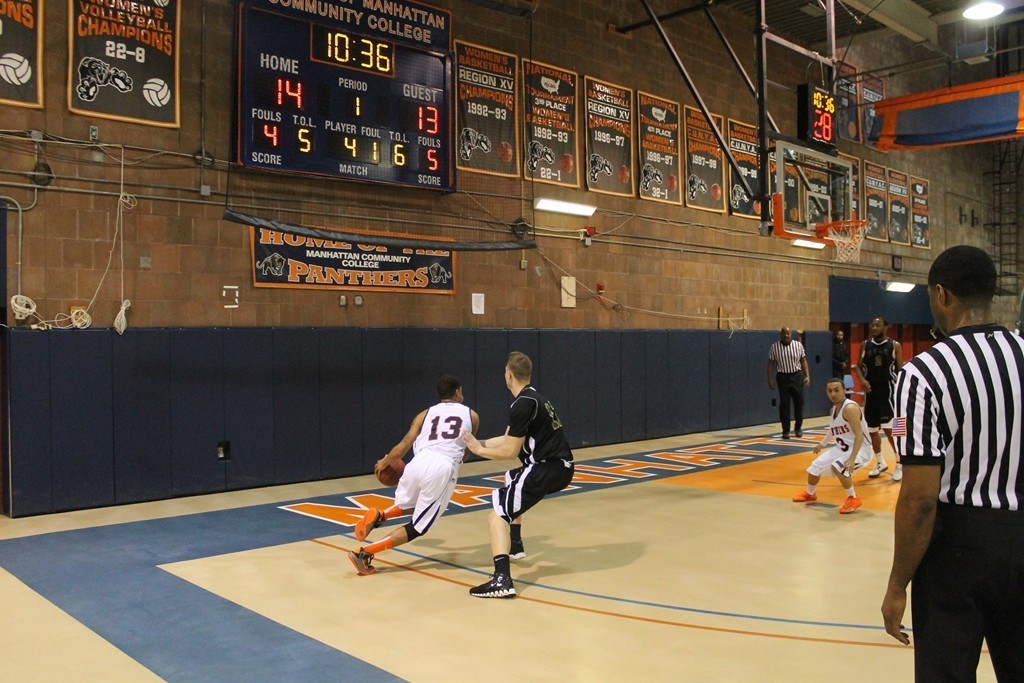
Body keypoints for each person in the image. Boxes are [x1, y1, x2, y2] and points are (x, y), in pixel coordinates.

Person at [881, 246, 1024, 681]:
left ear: (941, 294)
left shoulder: (922, 373)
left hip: (957, 548)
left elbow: (921, 498)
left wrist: (897, 584)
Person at [461, 351, 575, 598]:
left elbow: (510, 451)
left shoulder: (523, 404)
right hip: (559, 466)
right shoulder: (534, 399)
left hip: (547, 467)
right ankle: (515, 545)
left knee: (497, 515)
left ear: (508, 374)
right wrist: (476, 443)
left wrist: (479, 451)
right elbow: (507, 438)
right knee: (512, 478)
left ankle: (502, 580)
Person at [348, 374, 480, 576]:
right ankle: (364, 552)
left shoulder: (424, 414)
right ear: (458, 391)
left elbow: (403, 445)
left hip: (418, 461)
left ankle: (381, 515)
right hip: (442, 466)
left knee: (412, 504)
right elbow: (466, 452)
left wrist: (385, 462)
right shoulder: (472, 416)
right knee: (419, 526)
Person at [792, 377, 873, 514]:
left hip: (861, 450)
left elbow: (859, 435)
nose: (833, 394)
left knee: (838, 466)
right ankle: (810, 493)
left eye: (836, 390)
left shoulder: (850, 408)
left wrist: (852, 459)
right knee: (814, 468)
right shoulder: (834, 410)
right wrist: (821, 444)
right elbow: (832, 429)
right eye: (830, 391)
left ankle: (853, 498)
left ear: (844, 391)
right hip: (841, 449)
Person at [853, 317, 904, 481]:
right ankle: (880, 462)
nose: (874, 327)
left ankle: (900, 462)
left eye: (877, 325)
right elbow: (857, 367)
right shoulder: (865, 345)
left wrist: (901, 391)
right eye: (872, 325)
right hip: (871, 391)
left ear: (886, 327)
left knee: (891, 430)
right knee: (872, 430)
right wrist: (861, 380)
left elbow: (901, 370)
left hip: (888, 390)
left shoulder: (895, 345)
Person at [767, 327, 810, 439]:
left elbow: (803, 360)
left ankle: (798, 428)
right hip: (783, 377)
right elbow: (771, 363)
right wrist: (770, 379)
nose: (786, 335)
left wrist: (807, 376)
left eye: (788, 333)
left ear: (791, 334)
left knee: (799, 403)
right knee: (784, 405)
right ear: (780, 334)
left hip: (797, 376)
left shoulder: (798, 345)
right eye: (784, 333)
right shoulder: (774, 347)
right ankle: (785, 430)